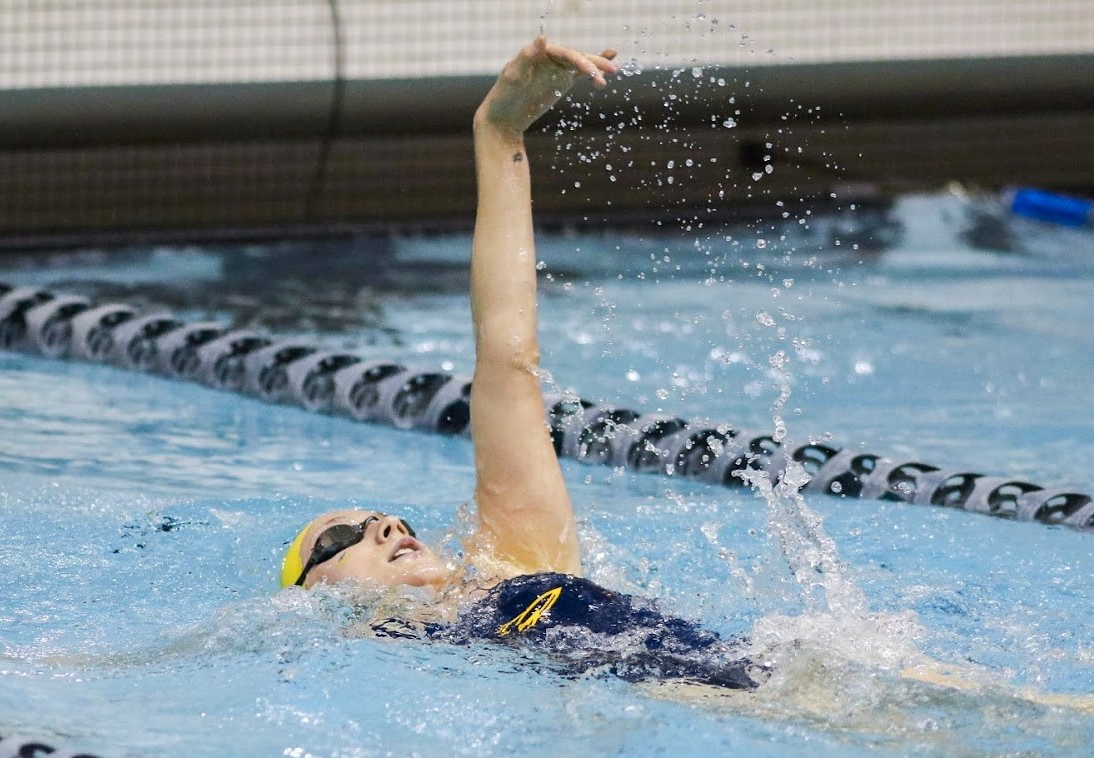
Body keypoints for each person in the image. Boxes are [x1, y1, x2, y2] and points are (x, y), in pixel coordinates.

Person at [277, 36, 760, 691]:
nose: (386, 526)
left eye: (384, 521)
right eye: (340, 540)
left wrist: (498, 130)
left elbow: (505, 354)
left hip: (777, 683)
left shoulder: (511, 562)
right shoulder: (396, 667)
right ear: (313, 595)